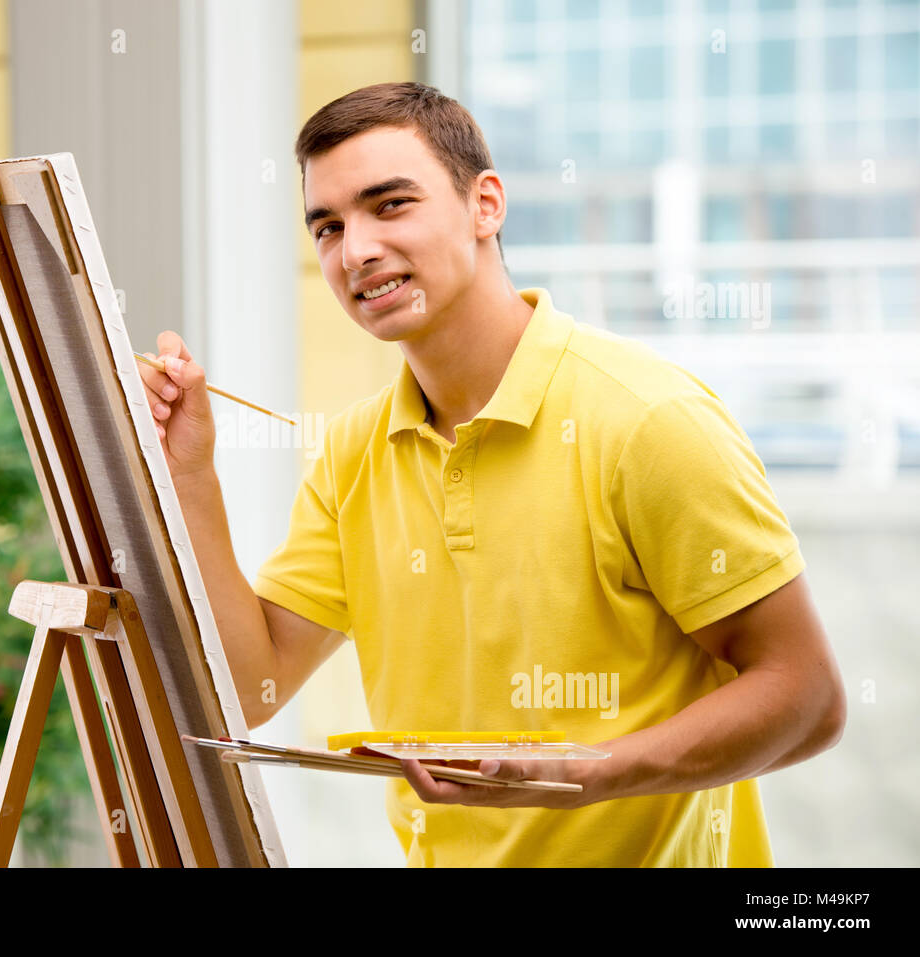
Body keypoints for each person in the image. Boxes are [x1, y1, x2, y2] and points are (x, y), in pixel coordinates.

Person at [137, 81, 845, 867]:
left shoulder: (647, 419)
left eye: (390, 204)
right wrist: (190, 477)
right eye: (328, 226)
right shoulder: (351, 452)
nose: (356, 249)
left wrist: (583, 773)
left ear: (486, 206)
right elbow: (252, 685)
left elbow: (807, 696)